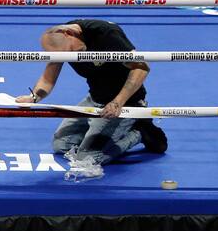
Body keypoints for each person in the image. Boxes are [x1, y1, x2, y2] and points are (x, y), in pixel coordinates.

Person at [16, 20, 166, 164]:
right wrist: (33, 97)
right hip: (95, 99)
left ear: (70, 33)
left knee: (88, 159)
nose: (72, 57)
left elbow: (141, 67)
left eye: (70, 52)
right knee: (61, 145)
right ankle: (101, 136)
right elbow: (48, 79)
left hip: (125, 102)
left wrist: (117, 102)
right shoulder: (61, 42)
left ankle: (139, 131)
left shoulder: (105, 34)